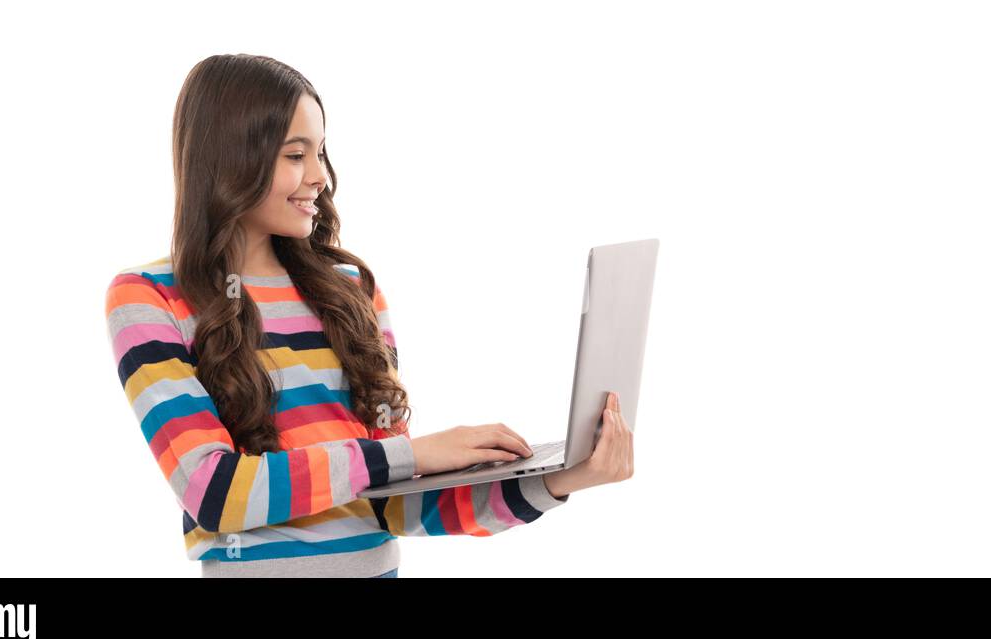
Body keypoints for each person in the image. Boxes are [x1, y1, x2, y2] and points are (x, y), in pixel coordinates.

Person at [103, 53, 634, 578]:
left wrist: (561, 479)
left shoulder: (352, 293)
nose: (319, 176)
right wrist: (412, 454)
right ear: (230, 159)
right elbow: (213, 494)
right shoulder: (148, 299)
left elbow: (396, 503)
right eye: (294, 155)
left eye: (321, 152)